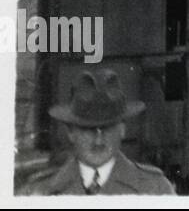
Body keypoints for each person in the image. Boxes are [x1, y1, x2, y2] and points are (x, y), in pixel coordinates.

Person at [26, 69, 175, 195]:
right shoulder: (39, 191)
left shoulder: (155, 189)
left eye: (107, 128)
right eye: (87, 129)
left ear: (122, 129)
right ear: (71, 132)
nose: (98, 140)